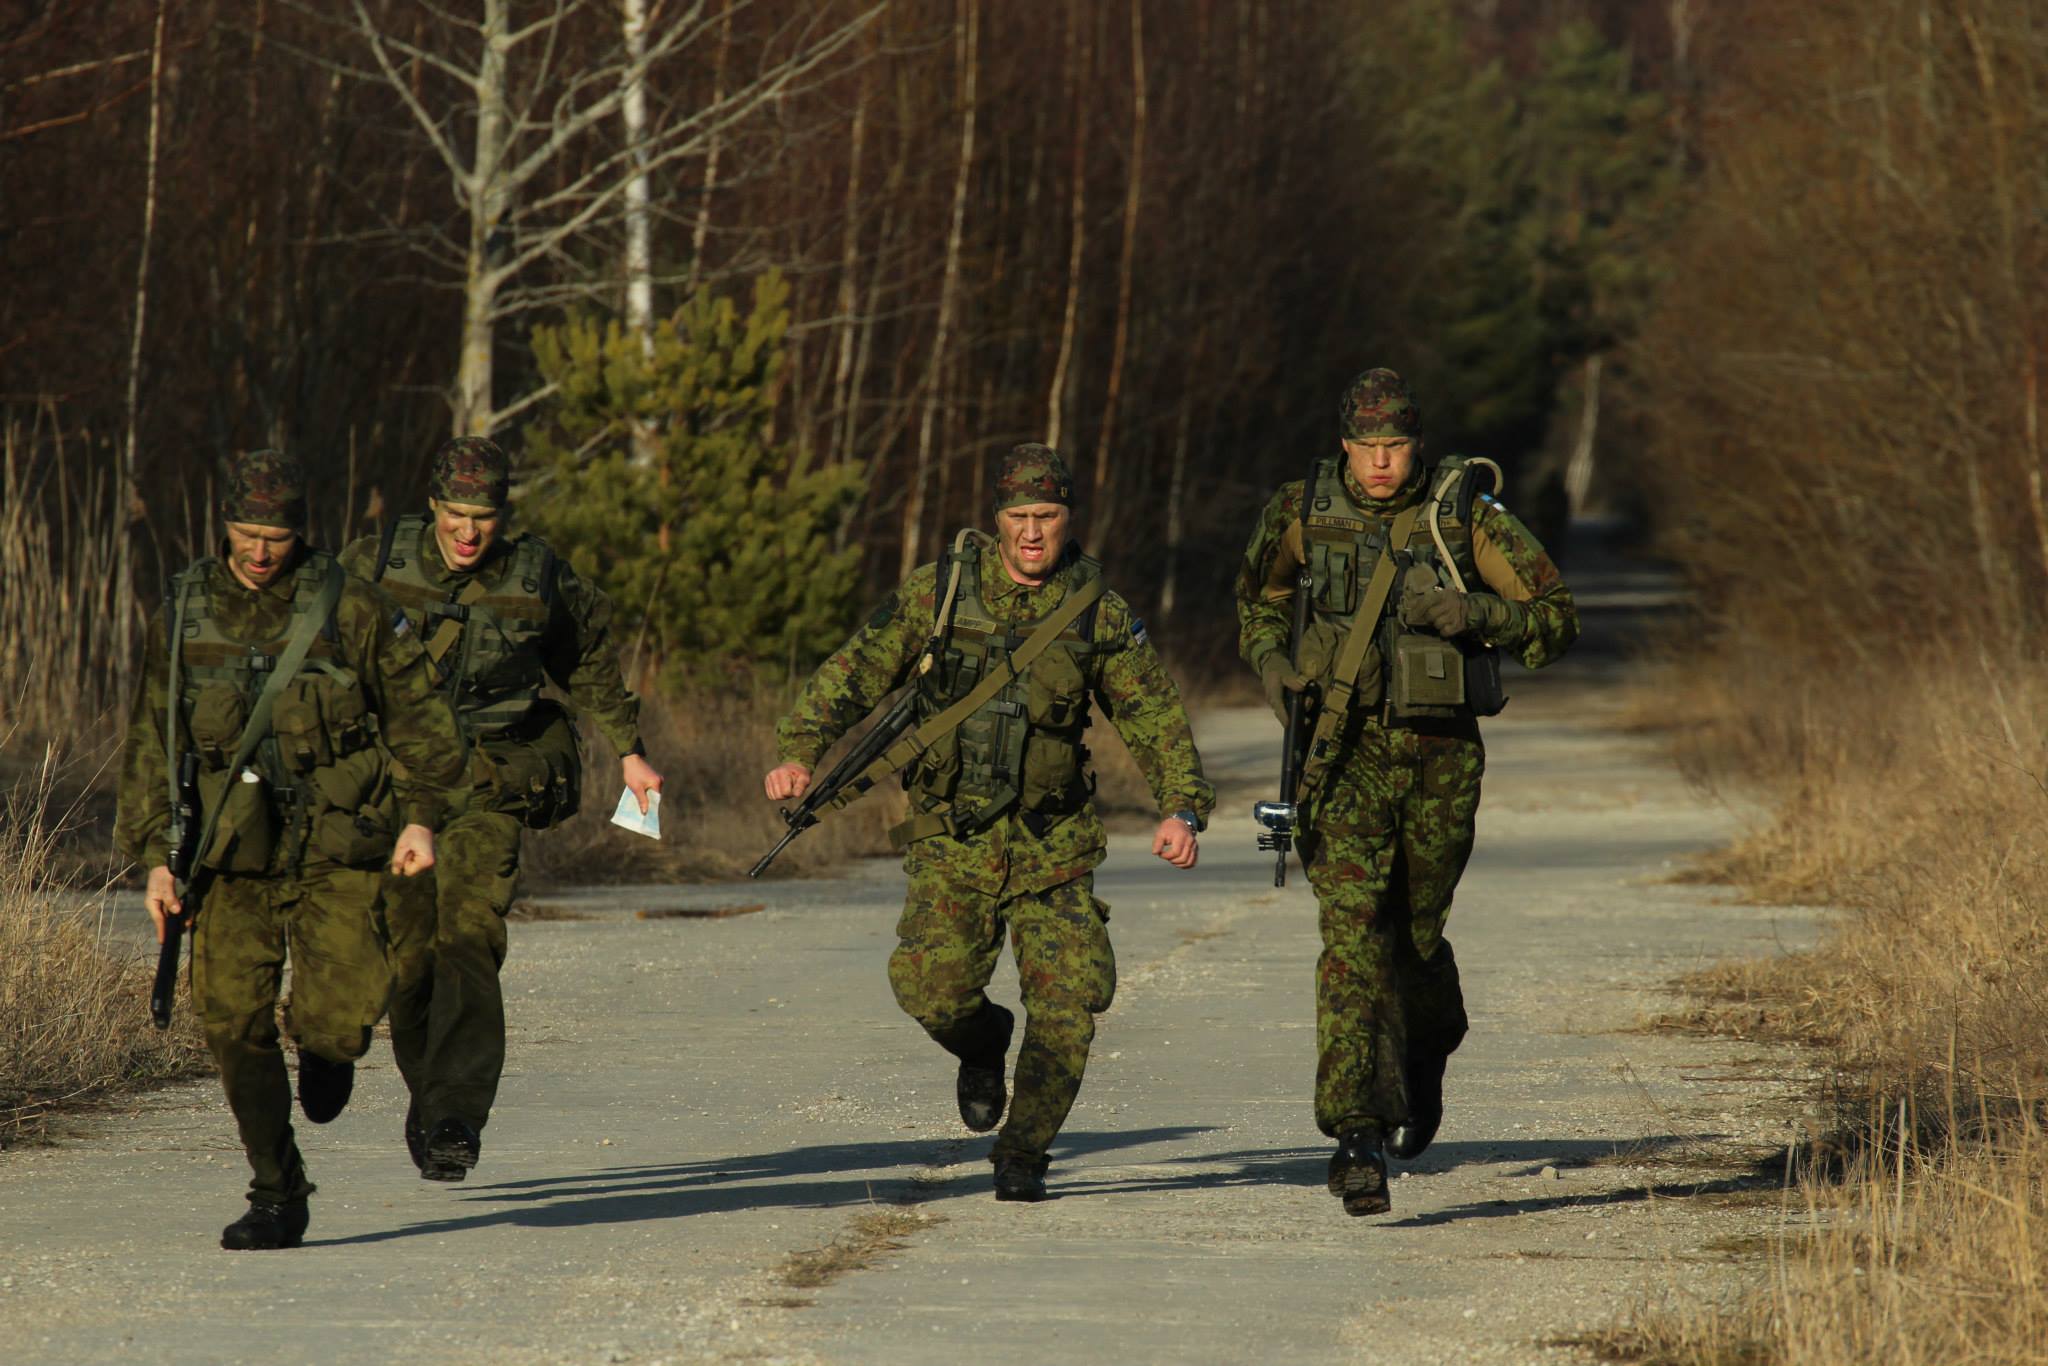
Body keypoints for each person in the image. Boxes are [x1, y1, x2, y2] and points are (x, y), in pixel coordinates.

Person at [765, 444, 1213, 1202]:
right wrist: (799, 752)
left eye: (1047, 516)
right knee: (930, 990)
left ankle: (1024, 1151)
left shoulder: (1095, 610)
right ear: (996, 520)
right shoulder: (940, 594)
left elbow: (1151, 711)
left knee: (1070, 1004)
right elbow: (855, 671)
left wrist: (1182, 805)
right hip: (953, 839)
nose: (1033, 533)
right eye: (1019, 517)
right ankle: (985, 1042)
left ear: (1069, 518)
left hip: (1053, 843)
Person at [1235, 370, 1578, 1216]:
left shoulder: (1461, 516)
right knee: (1353, 935)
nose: (1381, 463)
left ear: (1416, 444)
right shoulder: (1303, 510)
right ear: (1343, 444)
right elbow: (1259, 602)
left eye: (1395, 447)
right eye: (1367, 447)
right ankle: (1356, 1135)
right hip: (1339, 757)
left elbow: (1556, 617)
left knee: (1417, 938)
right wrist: (1275, 669)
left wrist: (1474, 619)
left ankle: (1427, 1054)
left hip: (1437, 760)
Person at [115, 449, 468, 1250]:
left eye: (275, 535)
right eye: (247, 532)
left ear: (301, 532)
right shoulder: (183, 611)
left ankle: (326, 1045)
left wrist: (421, 818)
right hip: (229, 853)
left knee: (338, 1020)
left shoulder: (351, 607)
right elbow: (150, 734)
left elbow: (419, 720)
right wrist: (154, 858)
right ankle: (278, 1191)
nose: (261, 550)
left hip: (338, 847)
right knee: (232, 1023)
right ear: (223, 525)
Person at [339, 436, 661, 1182]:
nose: (468, 531)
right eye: (456, 513)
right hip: (392, 786)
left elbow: (585, 662)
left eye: (483, 516)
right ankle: (431, 1098)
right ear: (433, 508)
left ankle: (456, 1113)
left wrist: (629, 749)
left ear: (502, 514)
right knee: (407, 954)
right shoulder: (373, 565)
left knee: (470, 937)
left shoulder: (538, 574)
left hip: (490, 782)